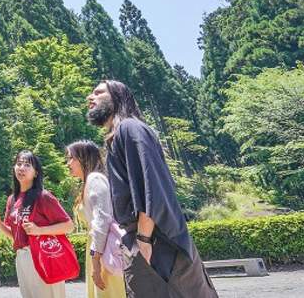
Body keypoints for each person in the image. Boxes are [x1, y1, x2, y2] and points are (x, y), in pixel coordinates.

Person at [86, 80, 219, 298]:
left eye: (98, 92)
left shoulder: (130, 128)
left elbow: (151, 186)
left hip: (157, 241)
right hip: (145, 240)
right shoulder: (119, 135)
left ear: (117, 97)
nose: (90, 97)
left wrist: (144, 239)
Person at [0, 150, 75, 298]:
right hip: (22, 257)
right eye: (18, 164)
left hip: (43, 256)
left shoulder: (43, 196)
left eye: (27, 165)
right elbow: (15, 236)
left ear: (36, 173)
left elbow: (69, 226)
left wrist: (39, 230)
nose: (21, 168)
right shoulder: (12, 200)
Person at [66, 140, 126, 298]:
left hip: (105, 251)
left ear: (84, 158)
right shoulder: (89, 181)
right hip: (99, 249)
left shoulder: (95, 179)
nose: (68, 163)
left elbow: (102, 221)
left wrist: (96, 261)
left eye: (72, 158)